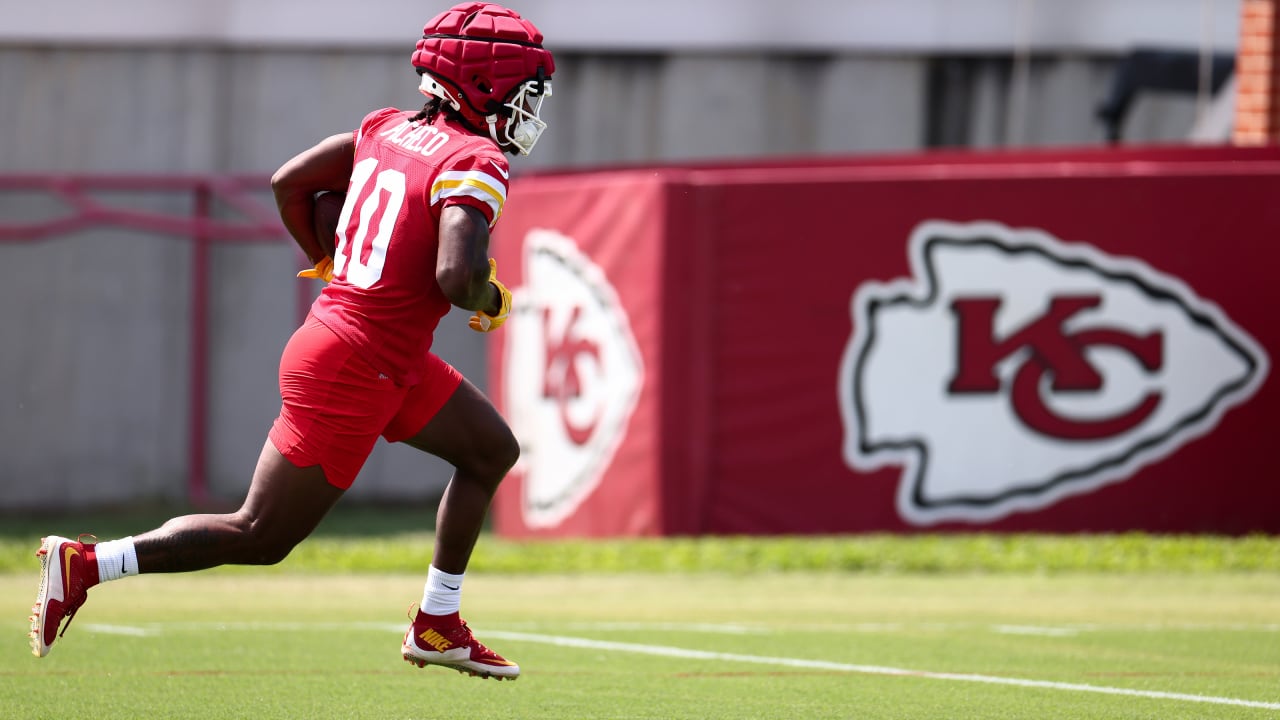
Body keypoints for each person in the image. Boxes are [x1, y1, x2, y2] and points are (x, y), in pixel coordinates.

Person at [27, 1, 554, 682]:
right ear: (483, 84)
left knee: (489, 451)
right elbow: (457, 277)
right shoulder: (476, 158)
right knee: (259, 533)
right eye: (523, 90)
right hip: (356, 365)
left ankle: (437, 622)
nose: (527, 106)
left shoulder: (385, 127)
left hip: (373, 351)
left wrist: (325, 255)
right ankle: (88, 565)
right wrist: (491, 297)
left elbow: (291, 182)